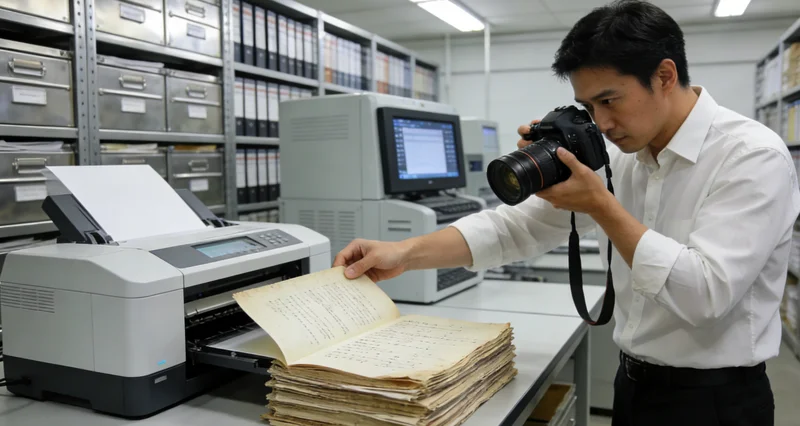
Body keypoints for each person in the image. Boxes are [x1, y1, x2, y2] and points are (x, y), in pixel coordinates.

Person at [333, 1, 800, 425]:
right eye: (588, 105)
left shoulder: (751, 156)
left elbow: (706, 294)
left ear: (663, 75)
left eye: (610, 100)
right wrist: (403, 252)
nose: (601, 122)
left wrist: (601, 204)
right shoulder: (620, 151)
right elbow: (516, 227)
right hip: (634, 386)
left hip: (716, 404)